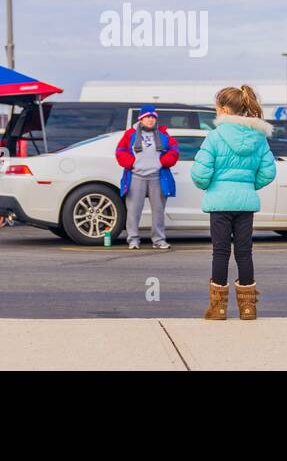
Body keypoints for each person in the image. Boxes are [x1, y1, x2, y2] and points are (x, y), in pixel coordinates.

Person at [191, 85, 276, 321]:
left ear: (225, 109)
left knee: (220, 252)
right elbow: (268, 172)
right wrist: (248, 185)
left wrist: (210, 185)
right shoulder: (258, 137)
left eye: (217, 108)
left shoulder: (215, 137)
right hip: (245, 204)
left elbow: (199, 173)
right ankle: (248, 308)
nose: (215, 112)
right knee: (244, 253)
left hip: (220, 203)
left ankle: (218, 308)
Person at [114, 104, 179, 249]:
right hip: (136, 177)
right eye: (147, 117)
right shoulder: (130, 134)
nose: (150, 120)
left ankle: (158, 240)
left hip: (157, 177)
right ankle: (133, 239)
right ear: (141, 119)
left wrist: (163, 161)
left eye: (153, 117)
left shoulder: (163, 134)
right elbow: (120, 151)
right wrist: (131, 162)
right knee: (133, 210)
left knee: (158, 210)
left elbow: (174, 150)